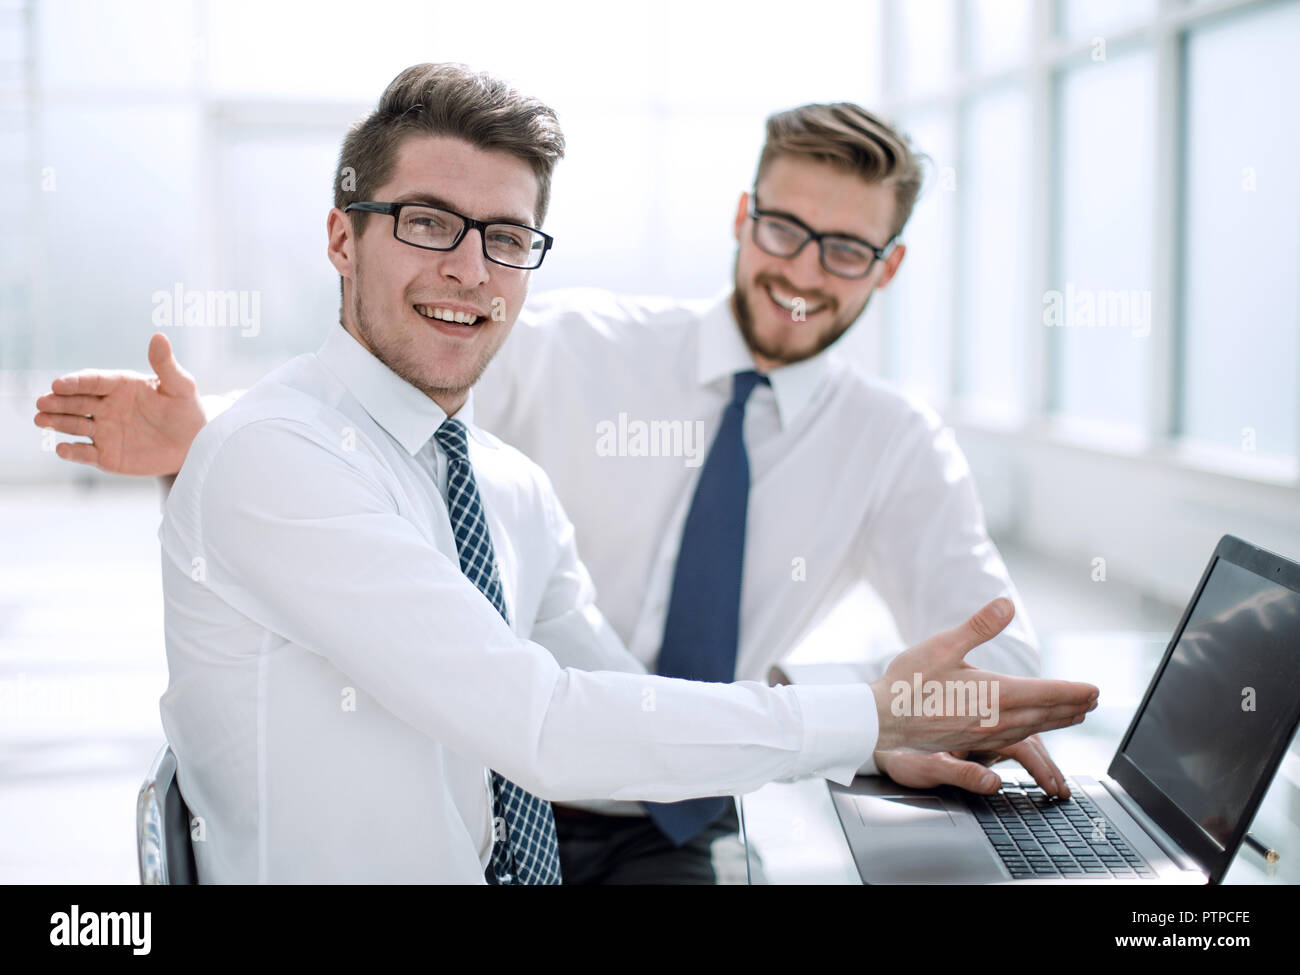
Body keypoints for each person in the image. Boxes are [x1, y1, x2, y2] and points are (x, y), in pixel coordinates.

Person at [36, 75, 1082, 884]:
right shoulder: (304, 446)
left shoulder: (504, 481)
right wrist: (868, 717)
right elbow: (536, 715)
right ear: (338, 238)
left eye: (503, 239)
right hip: (543, 769)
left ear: (886, 266)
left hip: (650, 781)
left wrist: (882, 723)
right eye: (426, 222)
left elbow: (607, 697)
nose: (469, 268)